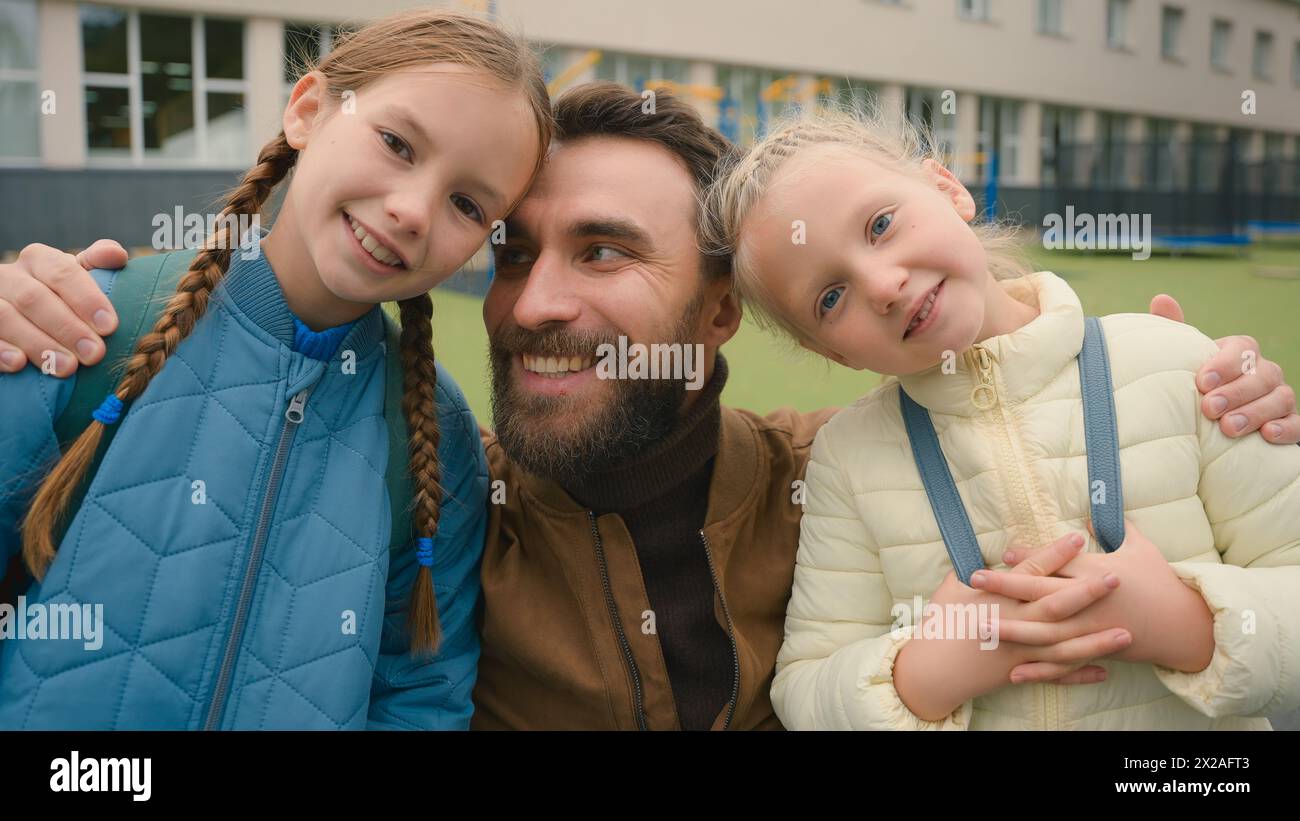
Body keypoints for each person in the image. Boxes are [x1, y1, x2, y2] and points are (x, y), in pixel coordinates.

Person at [3, 84, 1296, 730]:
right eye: (511, 252)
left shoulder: (842, 478)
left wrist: (1177, 378)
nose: (533, 304)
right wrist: (31, 316)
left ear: (723, 312)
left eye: (606, 253)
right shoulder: (429, 501)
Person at [0, 8, 551, 729]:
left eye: (468, 204)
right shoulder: (83, 326)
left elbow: (421, 692)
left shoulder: (441, 440)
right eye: (396, 142)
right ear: (308, 110)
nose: (414, 210)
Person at [705, 106, 1300, 729]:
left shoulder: (1184, 365)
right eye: (830, 297)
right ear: (830, 351)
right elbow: (807, 690)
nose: (882, 285)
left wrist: (1182, 623)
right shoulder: (847, 460)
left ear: (947, 188)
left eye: (880, 225)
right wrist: (930, 670)